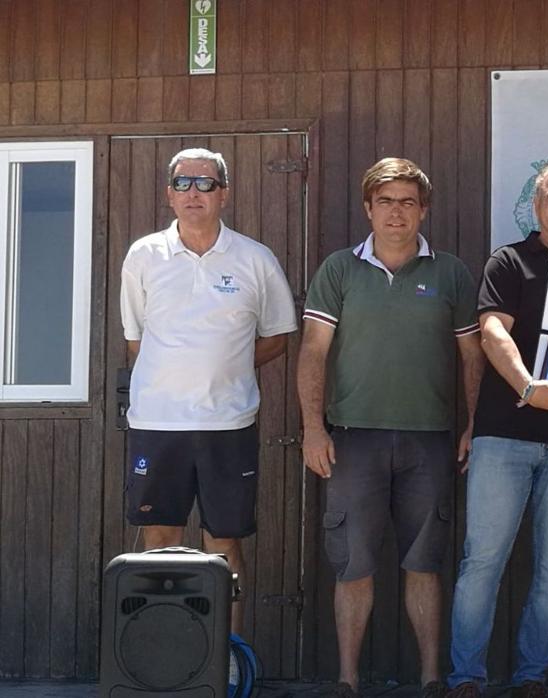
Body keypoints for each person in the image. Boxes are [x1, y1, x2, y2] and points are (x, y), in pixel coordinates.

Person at [297, 158, 484, 698]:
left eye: (407, 201)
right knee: (353, 564)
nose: (396, 212)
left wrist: (472, 424)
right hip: (352, 438)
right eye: (385, 201)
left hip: (430, 441)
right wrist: (314, 428)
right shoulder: (338, 270)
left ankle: (432, 679)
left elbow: (472, 356)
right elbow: (313, 352)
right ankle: (347, 682)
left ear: (423, 210)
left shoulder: (450, 272)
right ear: (367, 208)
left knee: (424, 562)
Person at [445, 159, 548, 698]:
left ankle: (531, 678)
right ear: (536, 205)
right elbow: (493, 332)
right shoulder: (509, 261)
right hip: (504, 435)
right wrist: (527, 387)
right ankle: (466, 678)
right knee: (483, 562)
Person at [120, 147, 298, 634]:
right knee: (158, 539)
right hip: (158, 424)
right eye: (182, 184)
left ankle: (228, 659)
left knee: (225, 544)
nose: (193, 192)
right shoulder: (143, 256)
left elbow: (278, 337)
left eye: (204, 183)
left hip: (228, 424)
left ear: (224, 193)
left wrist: (226, 365)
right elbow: (136, 341)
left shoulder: (255, 259)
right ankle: (156, 652)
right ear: (168, 195)